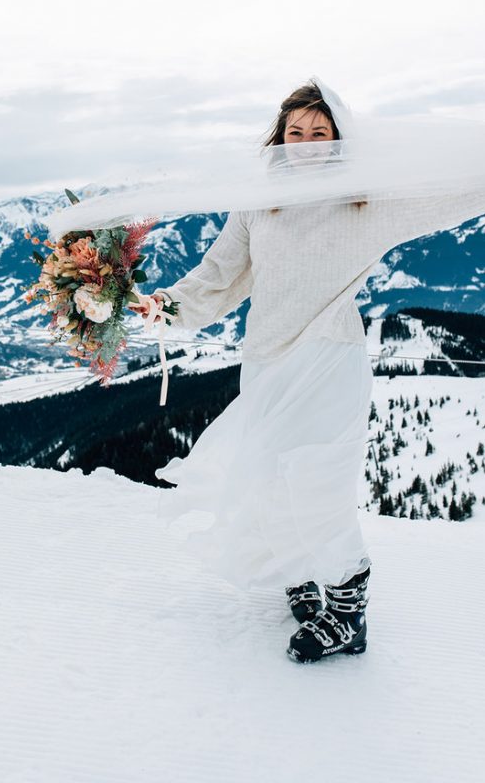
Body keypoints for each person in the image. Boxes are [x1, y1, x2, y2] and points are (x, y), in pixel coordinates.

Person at [129, 78, 485, 664]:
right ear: (280, 139)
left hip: (327, 360)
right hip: (266, 362)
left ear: (340, 139)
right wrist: (167, 305)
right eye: (296, 132)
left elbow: (446, 195)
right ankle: (301, 578)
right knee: (269, 484)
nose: (308, 142)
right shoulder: (258, 204)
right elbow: (220, 276)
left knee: (317, 486)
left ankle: (348, 616)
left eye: (321, 132)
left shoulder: (367, 203)